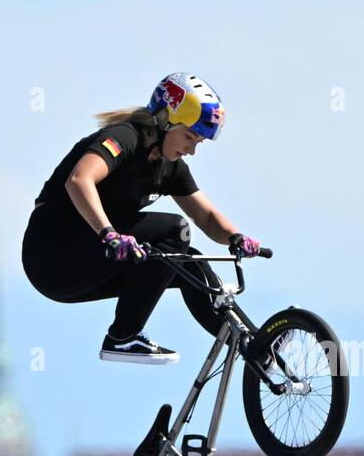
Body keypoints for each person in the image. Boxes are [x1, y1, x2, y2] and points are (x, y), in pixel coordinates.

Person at [22, 72, 264, 364]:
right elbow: (79, 180)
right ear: (165, 120)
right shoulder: (125, 138)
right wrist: (109, 234)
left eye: (198, 142)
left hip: (82, 266)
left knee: (189, 264)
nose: (192, 149)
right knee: (177, 231)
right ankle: (123, 338)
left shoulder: (170, 166)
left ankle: (251, 347)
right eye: (189, 136)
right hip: (51, 253)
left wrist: (235, 237)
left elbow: (208, 217)